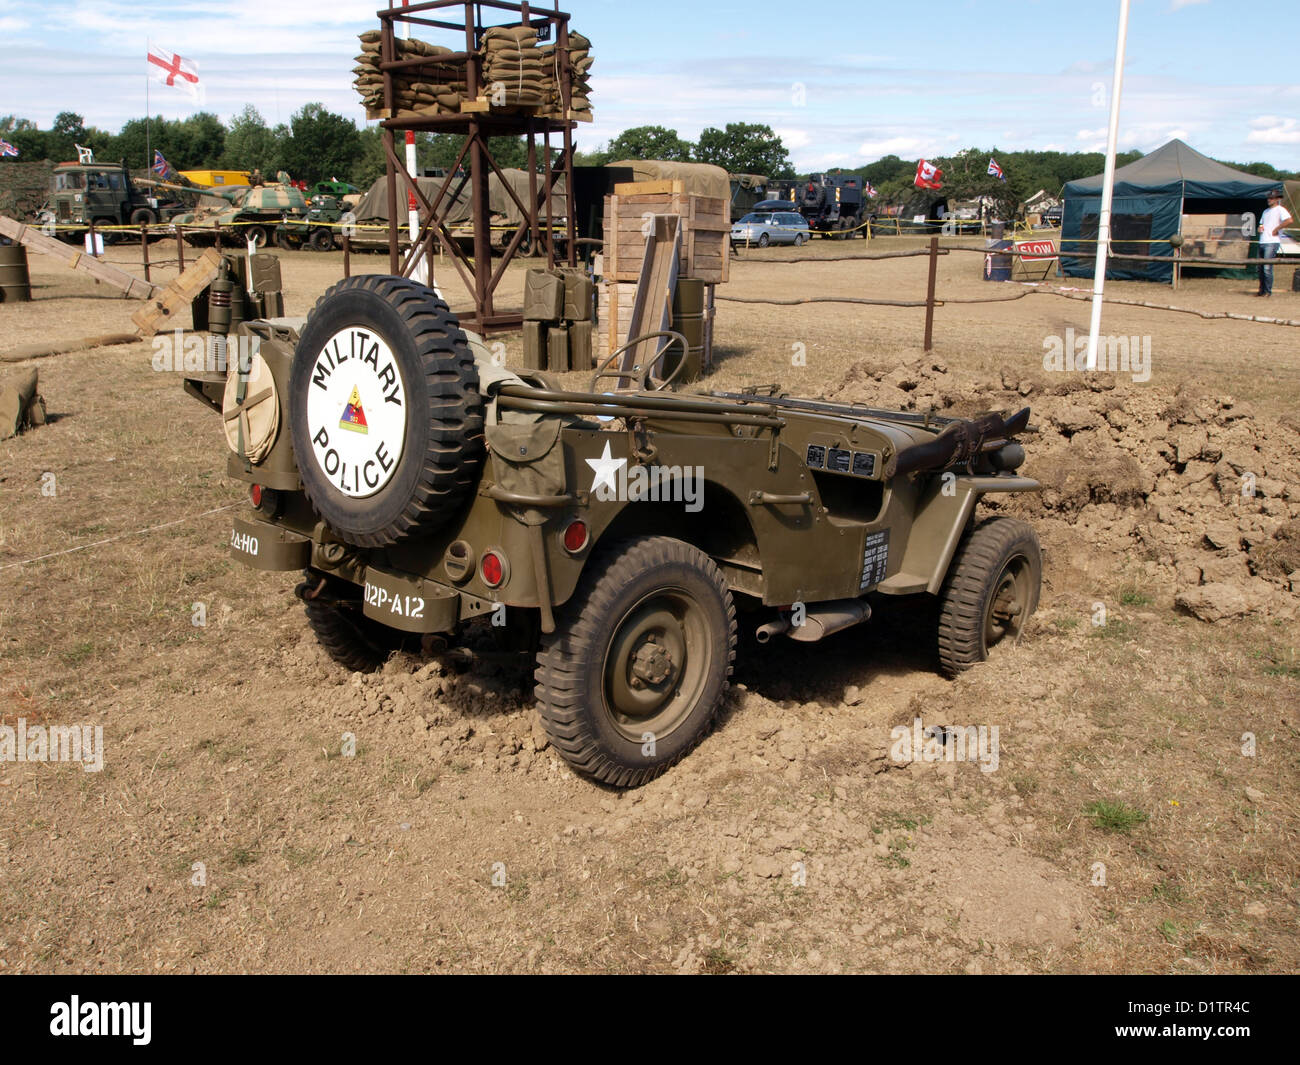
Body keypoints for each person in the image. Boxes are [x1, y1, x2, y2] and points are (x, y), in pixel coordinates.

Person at [1256, 188, 1292, 296]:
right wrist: (1260, 228)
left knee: (1267, 268)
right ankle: (1262, 291)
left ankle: (1268, 291)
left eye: (1271, 198)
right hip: (1262, 241)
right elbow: (1261, 223)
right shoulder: (1265, 211)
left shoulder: (1280, 210)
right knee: (1260, 268)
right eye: (1269, 198)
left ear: (1277, 199)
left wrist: (1277, 229)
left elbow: (1289, 220)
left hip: (1272, 241)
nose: (1269, 200)